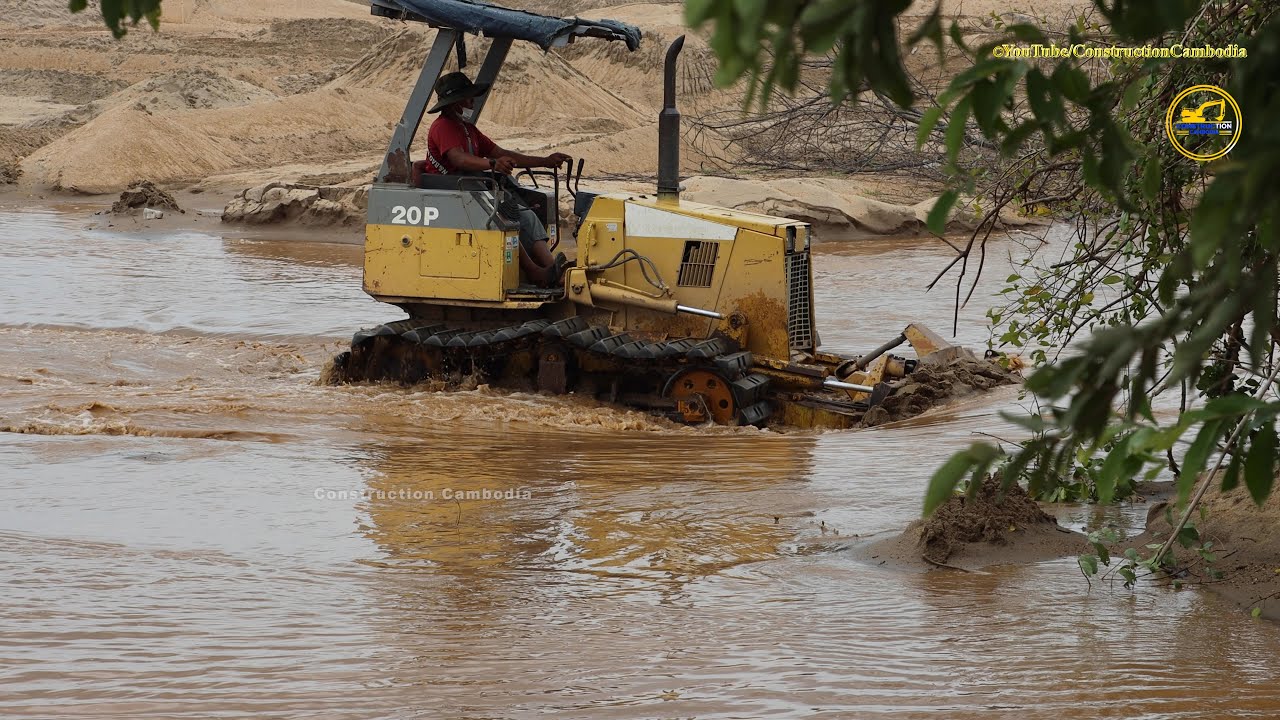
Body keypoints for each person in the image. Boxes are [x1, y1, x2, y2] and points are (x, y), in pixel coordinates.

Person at [424, 71, 569, 287]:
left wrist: (545, 161)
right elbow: (458, 159)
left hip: (472, 190)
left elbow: (500, 153)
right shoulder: (442, 127)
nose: (473, 101)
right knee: (502, 219)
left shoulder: (468, 129)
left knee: (526, 216)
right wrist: (492, 164)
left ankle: (554, 271)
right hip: (452, 193)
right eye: (468, 97)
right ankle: (534, 271)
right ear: (455, 102)